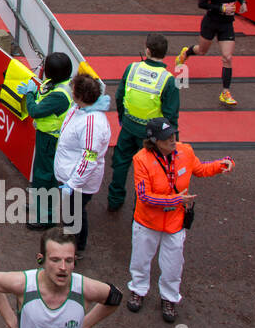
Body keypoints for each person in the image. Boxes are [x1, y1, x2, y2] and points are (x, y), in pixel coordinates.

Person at [127, 118, 234, 322]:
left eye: (173, 135)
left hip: (175, 223)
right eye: (167, 138)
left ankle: (169, 297)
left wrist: (222, 165)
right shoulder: (141, 159)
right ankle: (138, 290)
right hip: (147, 222)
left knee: (173, 264)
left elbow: (200, 169)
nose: (173, 140)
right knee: (141, 259)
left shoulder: (186, 151)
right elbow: (144, 196)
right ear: (155, 141)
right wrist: (177, 199)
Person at [108, 33, 179, 211]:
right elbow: (171, 115)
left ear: (147, 50)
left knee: (120, 162)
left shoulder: (132, 68)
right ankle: (140, 206)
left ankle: (114, 199)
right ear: (165, 53)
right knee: (147, 170)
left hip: (129, 124)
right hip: (152, 134)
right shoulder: (168, 80)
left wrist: (122, 119)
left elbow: (119, 96)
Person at [52, 73, 112, 253]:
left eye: (74, 90)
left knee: (75, 214)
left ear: (80, 96)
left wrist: (73, 183)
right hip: (70, 175)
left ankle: (75, 249)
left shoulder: (92, 122)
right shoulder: (79, 110)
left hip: (77, 181)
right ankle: (73, 243)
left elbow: (89, 157)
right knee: (73, 213)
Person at [176, 0, 245, 106]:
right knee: (202, 51)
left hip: (227, 25)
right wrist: (221, 8)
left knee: (227, 57)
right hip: (211, 23)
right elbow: (201, 3)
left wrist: (243, 2)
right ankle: (186, 53)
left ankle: (225, 92)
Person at [17, 52, 74, 229]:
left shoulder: (59, 95)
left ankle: (46, 218)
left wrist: (30, 95)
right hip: (46, 136)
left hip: (51, 139)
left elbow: (35, 111)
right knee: (42, 174)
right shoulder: (57, 84)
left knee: (45, 176)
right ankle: (38, 206)